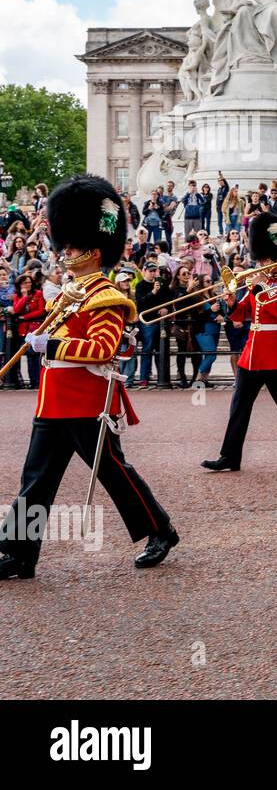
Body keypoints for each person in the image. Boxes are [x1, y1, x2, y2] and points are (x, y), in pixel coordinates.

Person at [0, 175, 178, 580]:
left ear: (95, 251)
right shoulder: (70, 292)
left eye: (74, 246)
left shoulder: (108, 297)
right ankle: (19, 554)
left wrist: (54, 346)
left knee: (114, 472)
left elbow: (102, 349)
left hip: (86, 400)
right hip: (54, 398)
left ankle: (160, 530)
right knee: (36, 480)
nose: (66, 252)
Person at [201, 212, 277, 473]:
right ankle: (230, 456)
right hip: (253, 350)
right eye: (262, 258)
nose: (262, 263)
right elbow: (243, 314)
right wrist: (232, 302)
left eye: (266, 258)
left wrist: (261, 287)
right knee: (239, 404)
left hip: (276, 349)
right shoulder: (259, 281)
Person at [11, 272, 46, 389]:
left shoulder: (38, 293)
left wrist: (25, 317)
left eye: (29, 282)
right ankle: (29, 382)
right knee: (24, 354)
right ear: (20, 284)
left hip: (35, 328)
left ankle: (36, 382)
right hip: (21, 330)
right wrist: (24, 297)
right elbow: (16, 309)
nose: (28, 284)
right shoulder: (17, 295)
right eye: (25, 283)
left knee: (34, 355)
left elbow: (41, 310)